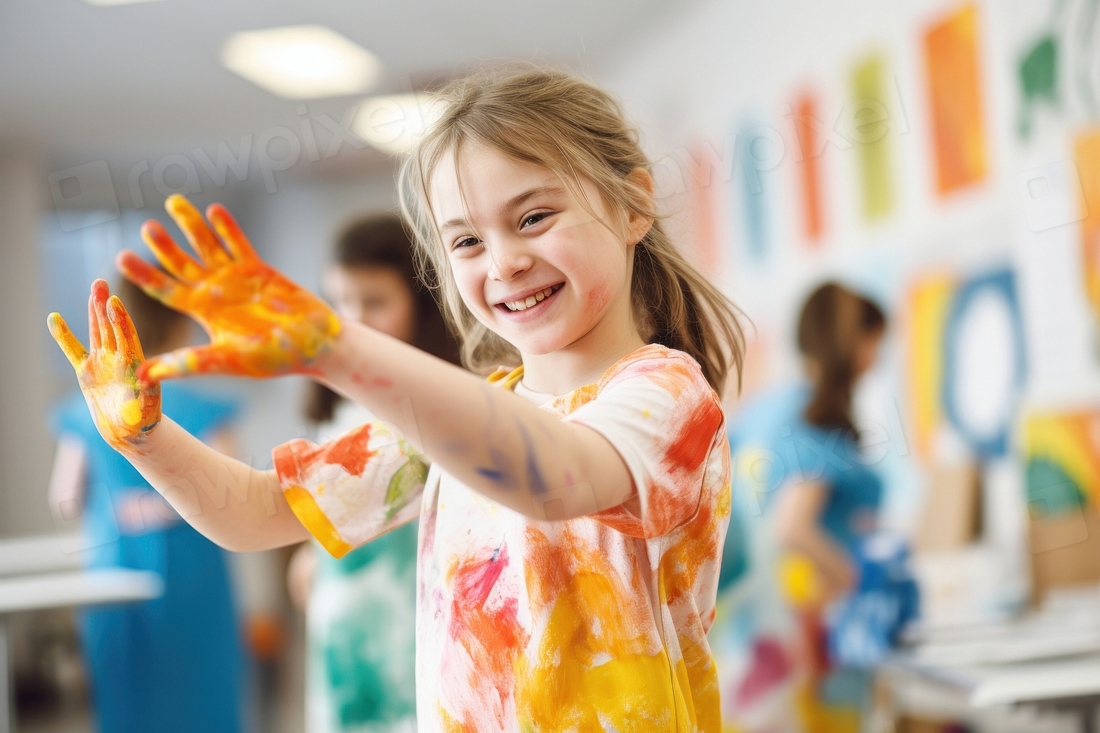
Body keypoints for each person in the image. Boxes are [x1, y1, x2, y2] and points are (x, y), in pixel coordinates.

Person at [46, 65, 745, 731]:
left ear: (634, 206)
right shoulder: (452, 422)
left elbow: (551, 476)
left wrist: (335, 347)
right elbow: (256, 513)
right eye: (467, 240)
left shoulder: (666, 394)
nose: (503, 262)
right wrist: (144, 437)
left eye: (533, 217)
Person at [288, 213, 461, 733]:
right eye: (342, 301)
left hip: (412, 611)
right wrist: (308, 550)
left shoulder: (447, 401)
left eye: (376, 301)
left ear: (422, 301)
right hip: (342, 612)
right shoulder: (337, 397)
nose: (354, 318)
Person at [48, 278, 244, 733]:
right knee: (201, 698)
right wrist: (169, 506)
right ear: (180, 323)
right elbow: (233, 487)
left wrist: (118, 500)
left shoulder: (89, 409)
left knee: (128, 701)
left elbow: (64, 498)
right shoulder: (203, 407)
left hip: (113, 571)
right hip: (193, 577)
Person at [711, 283, 886, 733]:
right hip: (807, 635)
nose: (879, 356)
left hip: (750, 634)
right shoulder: (816, 419)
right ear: (855, 342)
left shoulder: (765, 410)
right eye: (875, 342)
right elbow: (794, 527)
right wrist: (857, 580)